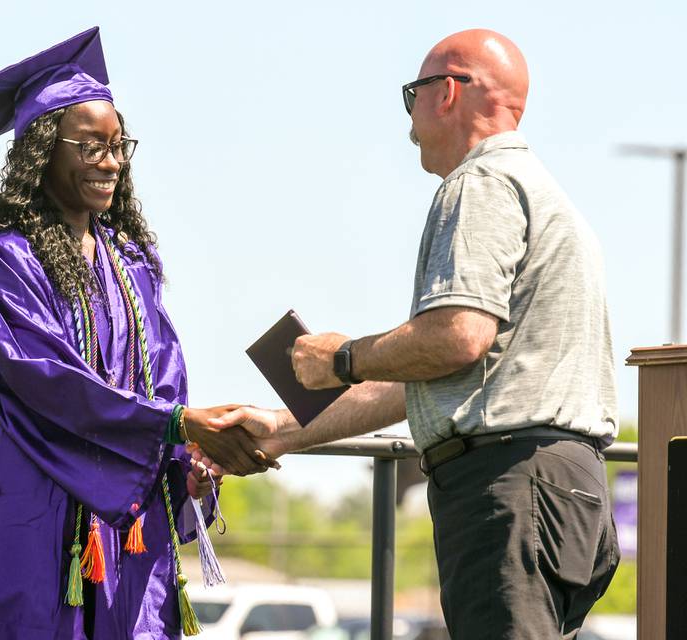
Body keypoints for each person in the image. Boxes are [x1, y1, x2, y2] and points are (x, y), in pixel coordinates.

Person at [204, 29, 620, 639]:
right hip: (564, 490)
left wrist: (341, 356)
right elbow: (440, 378)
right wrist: (287, 428)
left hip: (511, 490)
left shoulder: (479, 184)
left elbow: (457, 336)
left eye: (412, 95)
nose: (409, 120)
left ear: (447, 91)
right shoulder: (544, 196)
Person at [0, 27, 275, 640]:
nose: (112, 162)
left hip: (128, 523)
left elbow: (166, 383)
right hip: (33, 509)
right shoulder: (4, 261)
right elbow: (46, 383)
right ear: (43, 151)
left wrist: (186, 463)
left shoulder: (131, 264)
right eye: (91, 146)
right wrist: (172, 426)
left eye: (120, 146)